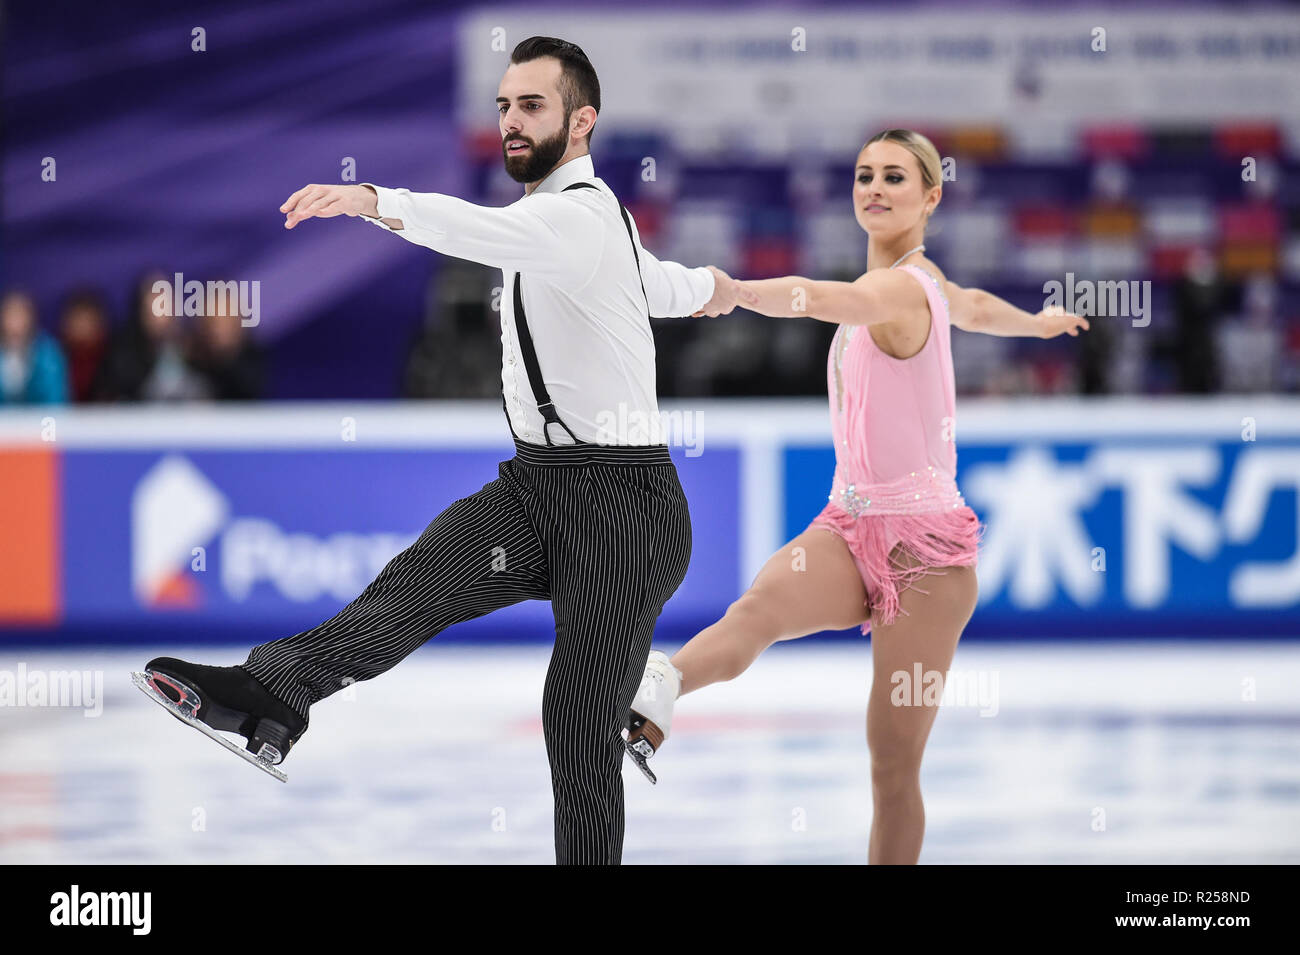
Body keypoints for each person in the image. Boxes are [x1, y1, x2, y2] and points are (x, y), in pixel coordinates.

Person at [134, 36, 753, 866]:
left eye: (531, 105)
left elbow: (476, 230)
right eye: (503, 106)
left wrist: (375, 199)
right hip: (541, 489)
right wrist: (719, 287)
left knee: (575, 716)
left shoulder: (570, 217)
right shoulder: (585, 222)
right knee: (415, 584)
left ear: (583, 121)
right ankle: (272, 694)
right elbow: (660, 281)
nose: (510, 121)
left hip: (624, 507)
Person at [624, 129, 1089, 864]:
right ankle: (659, 684)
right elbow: (970, 305)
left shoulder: (898, 289)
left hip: (926, 556)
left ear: (931, 197)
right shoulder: (929, 281)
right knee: (760, 607)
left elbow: (823, 297)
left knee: (891, 764)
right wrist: (1033, 322)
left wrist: (738, 290)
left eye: (895, 178)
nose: (874, 187)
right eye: (865, 174)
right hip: (849, 525)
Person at [0, 290, 69, 405]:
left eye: (20, 316)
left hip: (39, 420)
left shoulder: (48, 354)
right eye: (10, 316)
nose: (15, 324)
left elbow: (56, 400)